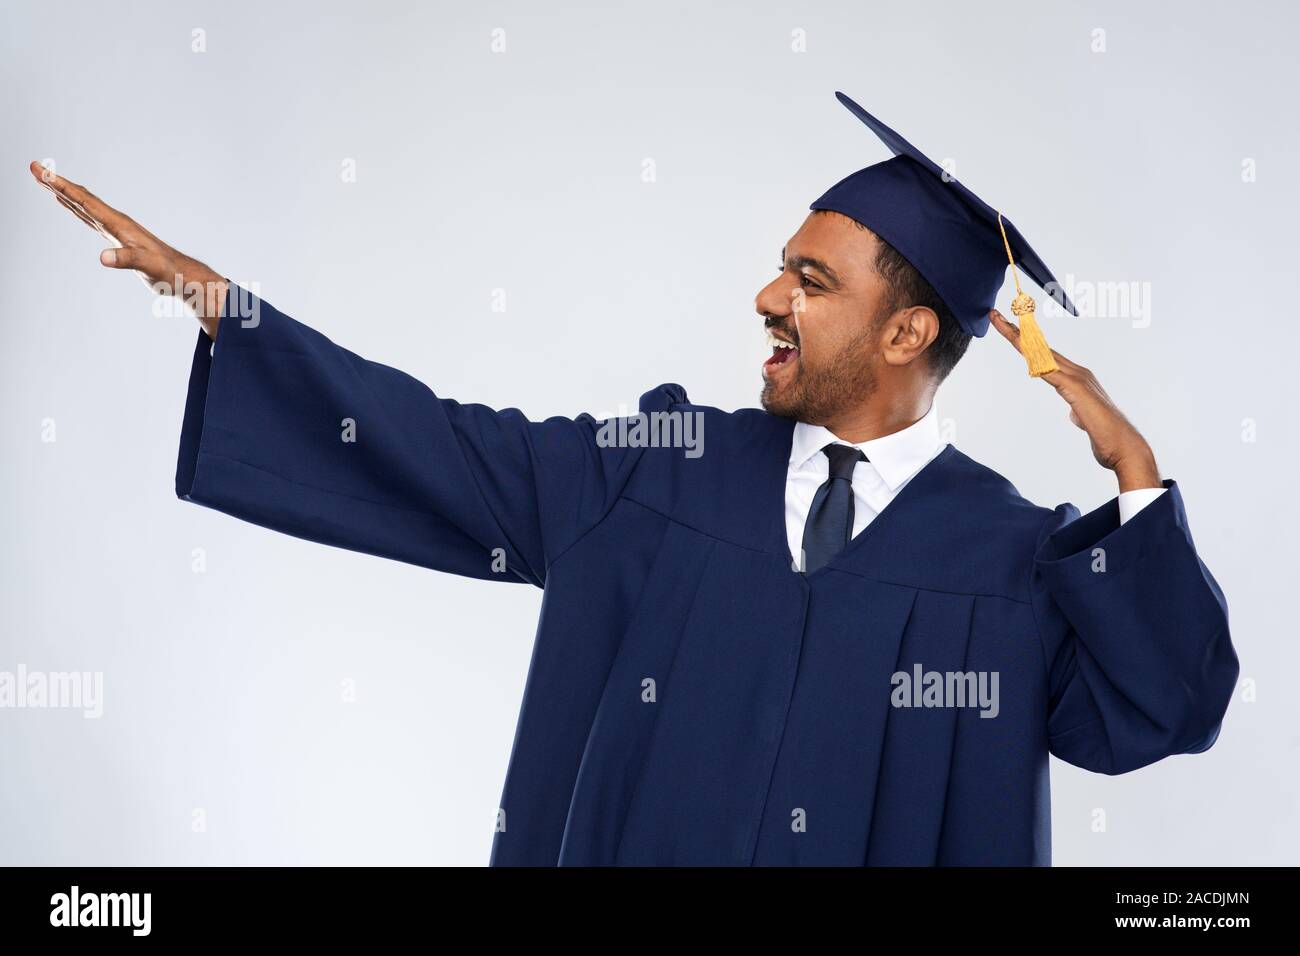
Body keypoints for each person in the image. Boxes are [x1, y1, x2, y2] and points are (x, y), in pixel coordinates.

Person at [29, 93, 1238, 866]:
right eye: (781, 271)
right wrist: (229, 315)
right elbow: (438, 443)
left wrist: (1132, 484)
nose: (768, 298)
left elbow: (1158, 712)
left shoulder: (1014, 564)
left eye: (811, 282)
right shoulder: (655, 474)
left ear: (907, 333)